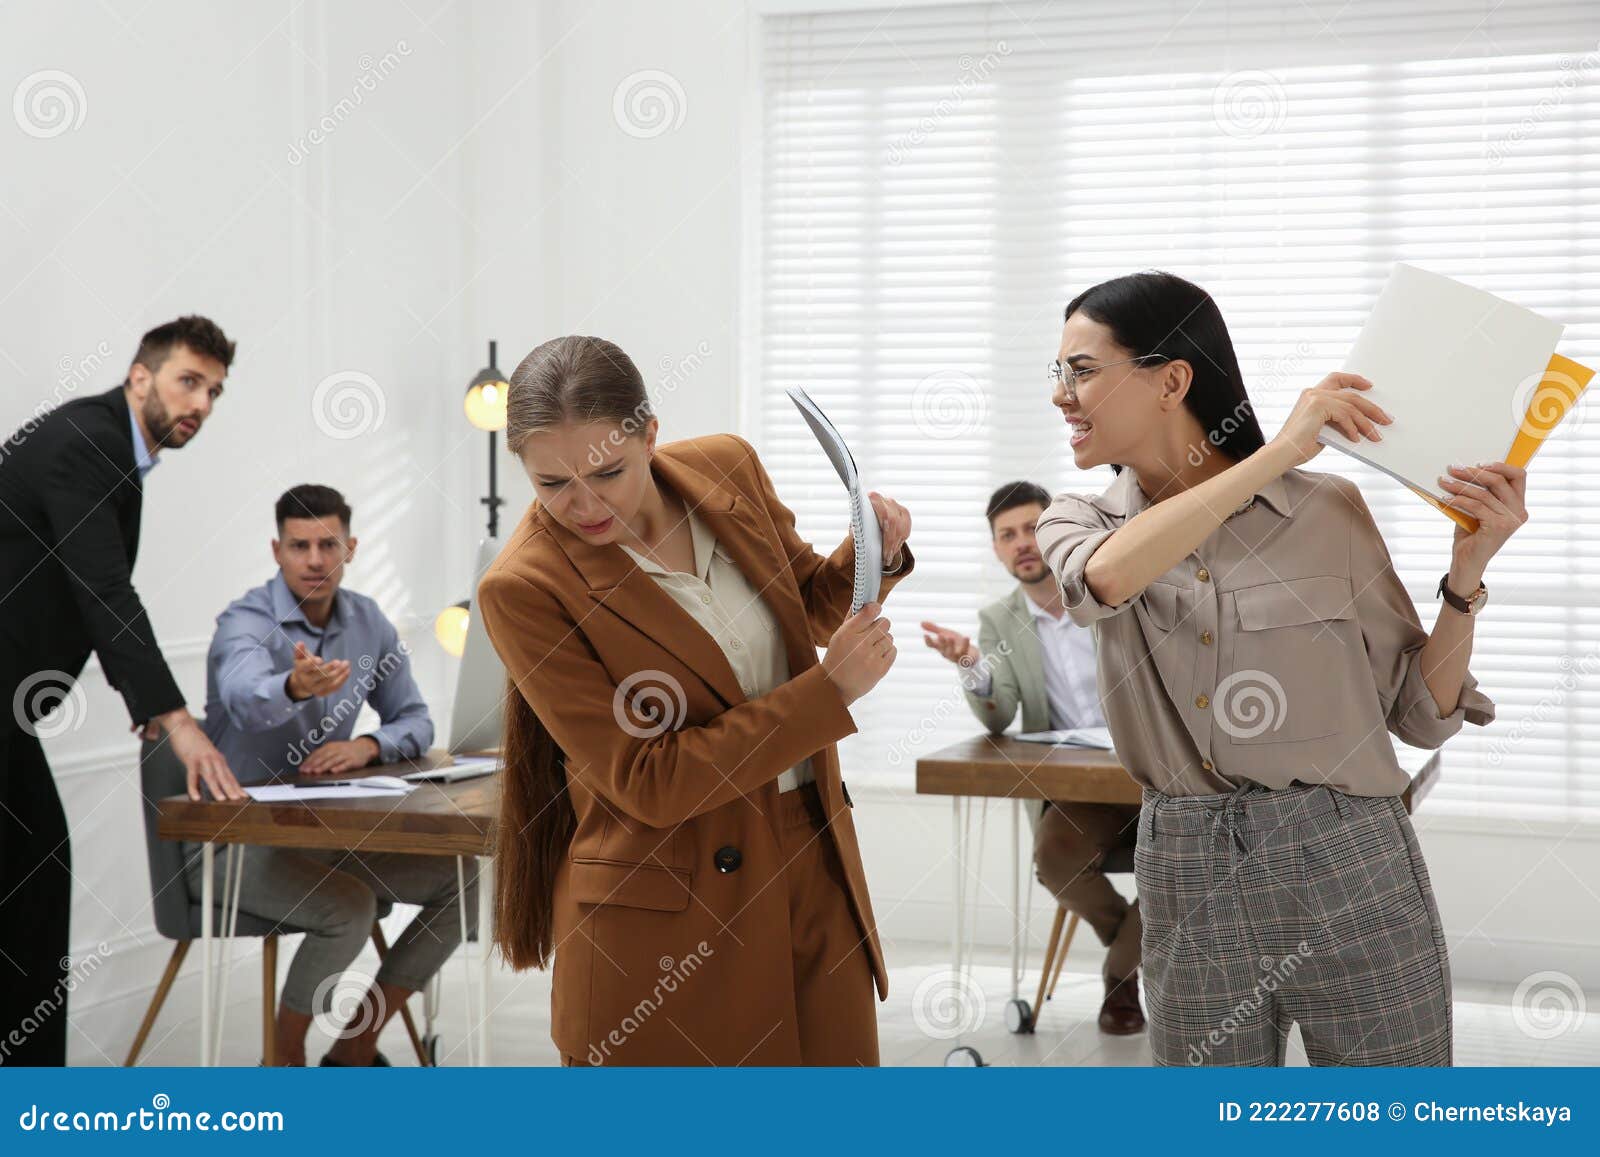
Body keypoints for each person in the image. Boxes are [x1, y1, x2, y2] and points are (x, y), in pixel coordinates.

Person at [1034, 271, 1515, 1066]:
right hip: (1188, 866)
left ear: (1172, 380)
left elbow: (1420, 716)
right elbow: (1108, 582)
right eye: (1057, 372)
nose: (1062, 393)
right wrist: (1283, 450)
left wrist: (1466, 575)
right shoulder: (1078, 520)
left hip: (1350, 860)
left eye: (1080, 369)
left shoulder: (1328, 512)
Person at [475, 335, 914, 1066]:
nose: (584, 504)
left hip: (813, 853)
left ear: (650, 433)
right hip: (665, 912)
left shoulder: (725, 466)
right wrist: (827, 691)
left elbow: (803, 608)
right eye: (551, 483)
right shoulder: (524, 587)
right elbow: (650, 780)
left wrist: (872, 555)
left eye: (608, 472)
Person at [0, 316, 245, 1066]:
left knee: (30, 895)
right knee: (33, 894)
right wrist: (173, 717)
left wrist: (141, 699)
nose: (201, 401)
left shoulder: (109, 445)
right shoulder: (88, 444)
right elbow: (103, 586)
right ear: (141, 376)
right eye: (188, 381)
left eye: (214, 389)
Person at [184, 484, 473, 1066]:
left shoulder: (368, 621)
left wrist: (368, 744)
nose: (314, 559)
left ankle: (352, 1052)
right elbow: (241, 697)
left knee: (466, 882)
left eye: (327, 544)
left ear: (351, 548)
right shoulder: (245, 622)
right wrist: (293, 686)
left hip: (323, 839)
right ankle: (283, 1059)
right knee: (348, 906)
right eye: (299, 546)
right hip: (233, 845)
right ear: (276, 550)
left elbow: (414, 717)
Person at [922, 480, 1143, 1034]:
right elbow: (1000, 718)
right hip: (1080, 789)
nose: (1022, 543)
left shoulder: (1111, 586)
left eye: (1032, 529)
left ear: (1057, 533)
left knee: (1184, 866)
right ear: (997, 549)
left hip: (1151, 776)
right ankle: (1132, 950)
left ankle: (1120, 978)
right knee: (1055, 857)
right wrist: (972, 664)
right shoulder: (1000, 619)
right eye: (1007, 535)